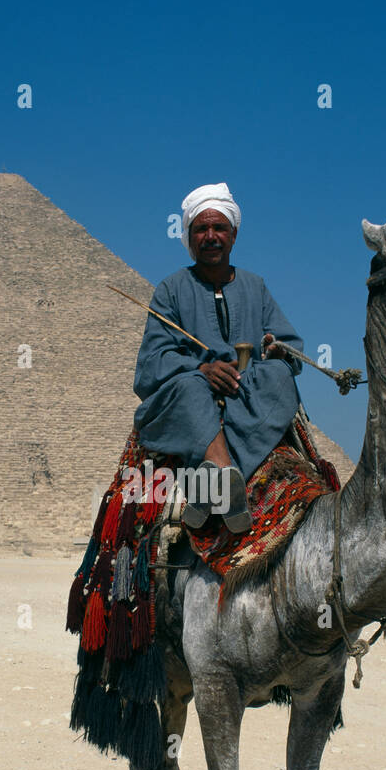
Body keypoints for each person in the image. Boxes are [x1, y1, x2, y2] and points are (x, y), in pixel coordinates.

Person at [133, 183, 304, 532]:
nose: (211, 236)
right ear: (189, 236)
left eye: (219, 228)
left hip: (247, 390)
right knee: (190, 387)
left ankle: (209, 483)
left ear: (234, 235)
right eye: (201, 229)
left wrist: (274, 348)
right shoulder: (171, 289)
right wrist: (201, 368)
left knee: (279, 378)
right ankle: (226, 474)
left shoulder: (255, 286)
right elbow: (151, 363)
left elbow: (290, 349)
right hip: (193, 398)